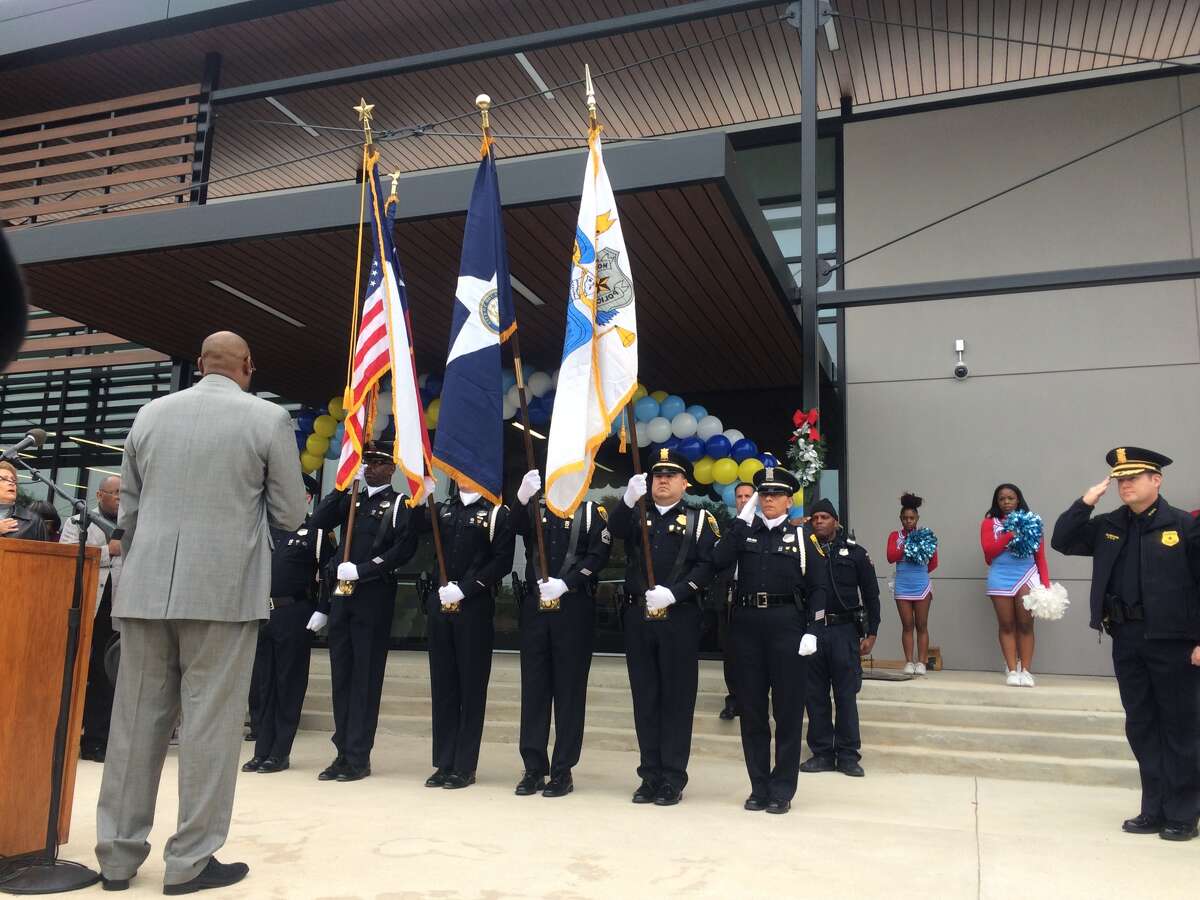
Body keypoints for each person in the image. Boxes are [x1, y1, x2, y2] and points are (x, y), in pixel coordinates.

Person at [95, 331, 306, 894]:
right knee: (209, 727)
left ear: (199, 365)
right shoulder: (267, 419)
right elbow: (290, 513)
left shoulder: (149, 414)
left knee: (134, 727)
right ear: (248, 364)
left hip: (145, 590)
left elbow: (128, 511)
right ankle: (189, 861)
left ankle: (117, 858)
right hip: (222, 592)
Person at [1051, 447, 1200, 842]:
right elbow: (1062, 540)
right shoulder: (1109, 525)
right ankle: (1153, 808)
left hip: (1175, 642)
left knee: (1181, 727)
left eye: (1134, 477)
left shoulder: (1184, 525)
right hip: (1128, 638)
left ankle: (1183, 812)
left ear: (1157, 480)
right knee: (1142, 725)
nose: (1125, 484)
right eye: (1120, 479)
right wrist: (1085, 502)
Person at [711, 467, 828, 813]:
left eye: (776, 494)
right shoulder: (745, 533)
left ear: (789, 501)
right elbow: (718, 559)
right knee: (752, 712)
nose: (769, 499)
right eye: (764, 494)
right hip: (747, 628)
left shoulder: (803, 538)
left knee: (788, 712)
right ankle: (759, 786)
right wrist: (741, 521)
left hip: (787, 627)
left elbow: (819, 588)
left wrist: (814, 629)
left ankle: (782, 789)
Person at [609, 448, 718, 806]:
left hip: (678, 618)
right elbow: (613, 531)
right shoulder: (636, 515)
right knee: (645, 699)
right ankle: (649, 775)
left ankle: (672, 777)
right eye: (658, 475)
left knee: (676, 699)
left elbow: (707, 567)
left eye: (671, 475)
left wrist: (676, 593)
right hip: (639, 618)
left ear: (685, 483)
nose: (663, 480)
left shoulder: (699, 520)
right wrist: (627, 499)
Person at [309, 442, 418, 783]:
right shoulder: (352, 499)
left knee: (365, 680)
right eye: (366, 461)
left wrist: (365, 569)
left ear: (392, 468)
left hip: (372, 597)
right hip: (342, 598)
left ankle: (358, 756)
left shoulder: (399, 504)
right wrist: (343, 486)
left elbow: (404, 549)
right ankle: (341, 752)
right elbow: (319, 520)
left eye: (377, 463)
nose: (370, 467)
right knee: (342, 677)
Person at [510, 469, 612, 797]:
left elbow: (598, 556)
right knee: (534, 689)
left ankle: (562, 770)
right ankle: (533, 768)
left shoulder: (591, 512)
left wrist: (567, 583)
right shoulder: (535, 510)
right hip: (536, 607)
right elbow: (510, 528)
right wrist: (521, 497)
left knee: (569, 691)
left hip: (573, 607)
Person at [415, 477, 514, 790]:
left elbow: (502, 562)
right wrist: (420, 500)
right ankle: (444, 762)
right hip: (441, 603)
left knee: (471, 688)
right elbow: (413, 532)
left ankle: (464, 766)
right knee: (443, 686)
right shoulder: (443, 510)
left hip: (473, 606)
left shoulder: (497, 514)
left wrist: (467, 588)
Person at [243, 473, 337, 775]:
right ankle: (261, 749)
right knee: (263, 684)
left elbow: (329, 574)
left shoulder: (317, 533)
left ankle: (279, 752)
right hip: (262, 613)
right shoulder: (265, 529)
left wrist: (323, 609)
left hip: (294, 612)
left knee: (288, 684)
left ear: (307, 498)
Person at [802, 497, 879, 777]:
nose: (819, 522)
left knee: (846, 696)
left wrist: (872, 632)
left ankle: (847, 755)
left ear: (836, 521)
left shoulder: (855, 553)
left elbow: (871, 594)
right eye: (815, 518)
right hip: (813, 631)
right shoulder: (804, 552)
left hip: (844, 631)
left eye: (824, 517)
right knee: (815, 695)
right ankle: (822, 753)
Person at [61, 474, 124, 762]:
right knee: (75, 674)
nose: (120, 498)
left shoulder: (131, 526)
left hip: (115, 615)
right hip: (85, 610)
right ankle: (67, 737)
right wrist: (107, 551)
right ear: (100, 496)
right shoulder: (78, 522)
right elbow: (67, 556)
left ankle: (97, 741)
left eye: (124, 493)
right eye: (115, 492)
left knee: (105, 677)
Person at [981, 483, 1050, 687]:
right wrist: (1010, 534)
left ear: (1018, 499)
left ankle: (1026, 671)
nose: (1006, 502)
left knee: (1026, 624)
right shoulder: (989, 523)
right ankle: (1012, 670)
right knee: (1006, 624)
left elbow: (1040, 556)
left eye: (1010, 498)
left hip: (1027, 574)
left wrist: (1045, 584)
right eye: (1001, 499)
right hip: (1000, 575)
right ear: (997, 502)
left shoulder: (1032, 521)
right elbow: (989, 552)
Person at [711, 482, 755, 720]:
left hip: (753, 597)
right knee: (730, 653)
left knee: (753, 652)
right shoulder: (726, 527)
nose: (743, 500)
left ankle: (754, 699)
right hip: (729, 596)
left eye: (748, 496)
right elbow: (717, 559)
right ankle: (734, 700)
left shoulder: (763, 527)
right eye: (739, 496)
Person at [885, 493, 937, 675]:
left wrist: (919, 572)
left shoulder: (926, 535)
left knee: (922, 624)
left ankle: (921, 662)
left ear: (917, 518)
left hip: (921, 584)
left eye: (912, 518)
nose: (908, 521)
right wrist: (908, 545)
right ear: (900, 518)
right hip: (902, 585)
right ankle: (909, 661)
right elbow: (890, 556)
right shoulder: (895, 536)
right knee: (907, 625)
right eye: (905, 518)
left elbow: (934, 562)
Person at [0, 460, 47, 541]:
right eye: (3, 479)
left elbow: (45, 549)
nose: (11, 483)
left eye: (13, 480)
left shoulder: (33, 521)